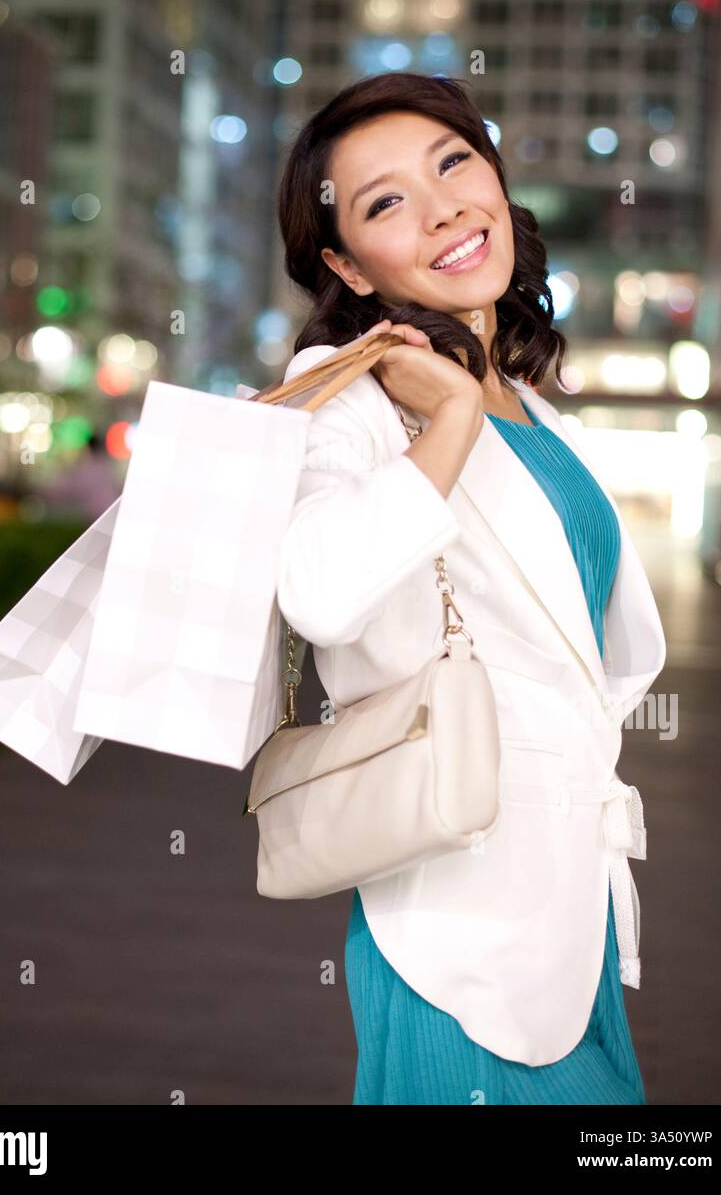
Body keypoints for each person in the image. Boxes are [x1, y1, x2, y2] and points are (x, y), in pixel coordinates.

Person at [272, 72, 666, 1105]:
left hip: (570, 908)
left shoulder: (526, 395)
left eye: (452, 164)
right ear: (345, 262)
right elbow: (316, 589)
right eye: (385, 201)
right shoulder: (346, 395)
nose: (444, 206)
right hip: (455, 924)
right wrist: (443, 423)